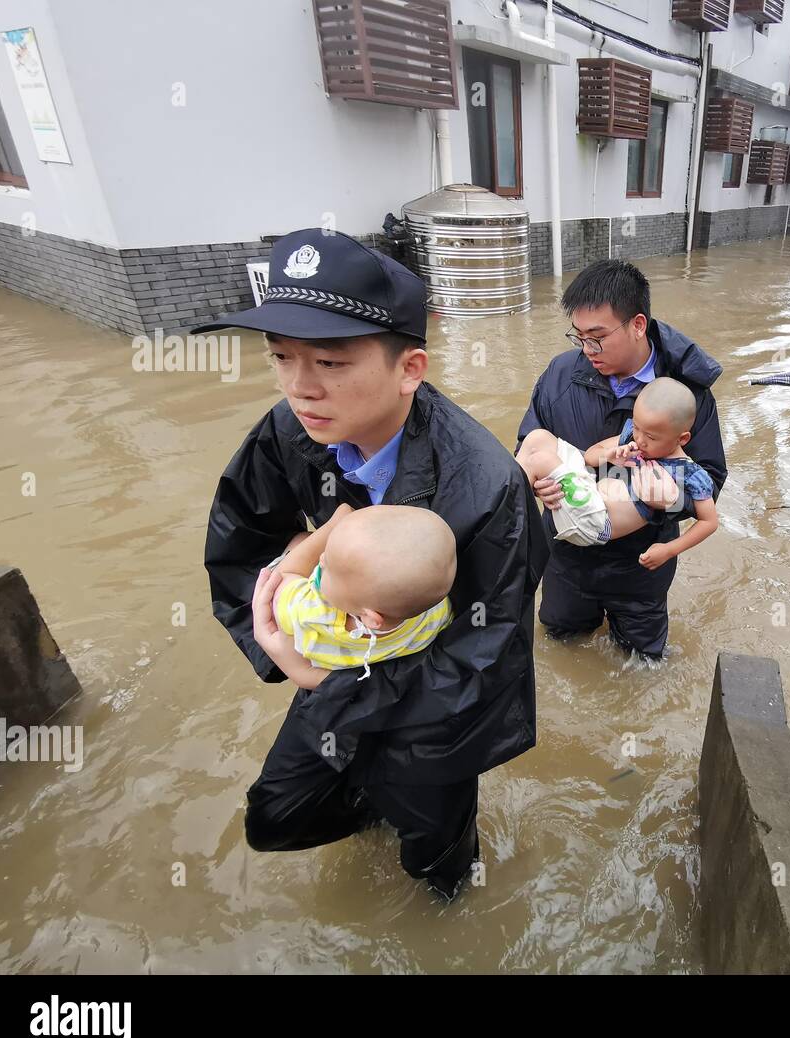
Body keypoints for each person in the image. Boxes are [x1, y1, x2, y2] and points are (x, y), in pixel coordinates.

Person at [198, 228, 548, 900]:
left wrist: (324, 680)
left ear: (409, 368)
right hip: (335, 670)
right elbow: (238, 546)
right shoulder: (289, 430)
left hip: (434, 716)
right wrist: (277, 633)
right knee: (275, 818)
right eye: (280, 356)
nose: (302, 389)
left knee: (437, 862)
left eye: (330, 363)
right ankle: (368, 797)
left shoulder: (486, 484)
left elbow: (487, 653)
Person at [517, 259, 726, 659]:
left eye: (597, 337)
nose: (587, 350)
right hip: (567, 552)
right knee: (562, 642)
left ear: (637, 325)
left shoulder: (687, 393)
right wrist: (535, 483)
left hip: (641, 564)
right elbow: (530, 440)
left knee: (641, 661)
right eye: (579, 337)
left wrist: (670, 501)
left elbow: (711, 475)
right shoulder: (560, 375)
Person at [516, 377, 719, 570]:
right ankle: (510, 514)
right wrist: (610, 456)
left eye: (650, 436)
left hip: (595, 524)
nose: (639, 440)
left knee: (541, 460)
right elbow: (589, 457)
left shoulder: (691, 473)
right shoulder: (632, 437)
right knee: (536, 438)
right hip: (587, 492)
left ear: (682, 439)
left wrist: (669, 550)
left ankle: (511, 525)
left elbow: (709, 522)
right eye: (637, 427)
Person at [256, 503, 456, 688]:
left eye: (331, 570)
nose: (322, 560)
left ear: (370, 616)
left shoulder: (315, 617)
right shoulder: (435, 613)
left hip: (314, 654)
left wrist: (332, 526)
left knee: (300, 539)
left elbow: (282, 580)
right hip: (377, 661)